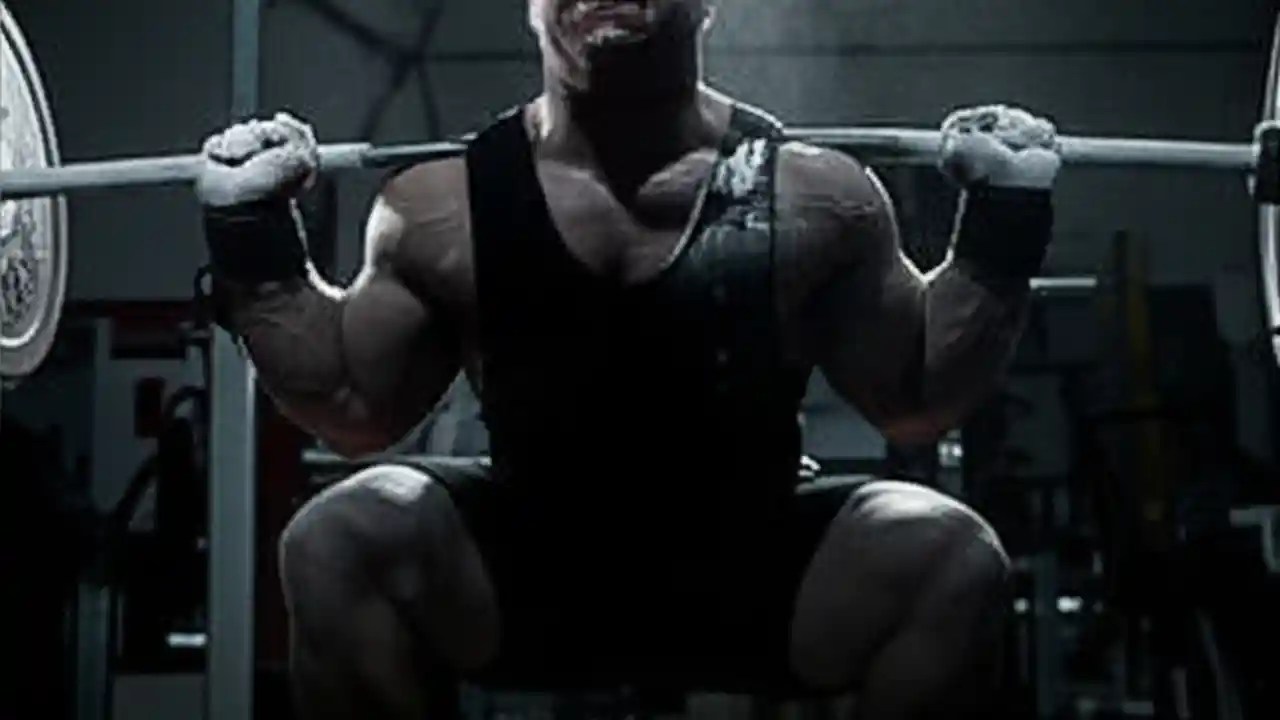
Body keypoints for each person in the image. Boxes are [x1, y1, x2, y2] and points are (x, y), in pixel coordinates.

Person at [197, 1, 1061, 717]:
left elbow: (914, 397)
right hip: (525, 576)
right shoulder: (439, 208)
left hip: (751, 571)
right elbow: (354, 407)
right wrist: (255, 245)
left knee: (952, 558)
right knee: (336, 535)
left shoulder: (818, 197)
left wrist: (1000, 234)